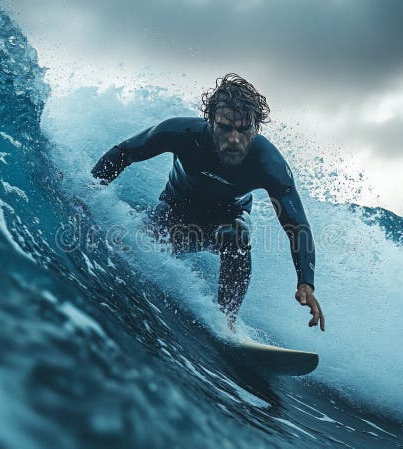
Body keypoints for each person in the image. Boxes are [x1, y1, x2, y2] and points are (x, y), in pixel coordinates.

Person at [91, 73, 324, 331]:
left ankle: (227, 322)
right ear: (210, 121)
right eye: (225, 127)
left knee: (236, 235)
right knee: (136, 246)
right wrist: (90, 191)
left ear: (256, 128)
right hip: (173, 214)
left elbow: (297, 225)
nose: (234, 139)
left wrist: (306, 282)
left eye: (244, 129)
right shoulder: (182, 133)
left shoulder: (268, 164)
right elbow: (125, 152)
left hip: (224, 224)